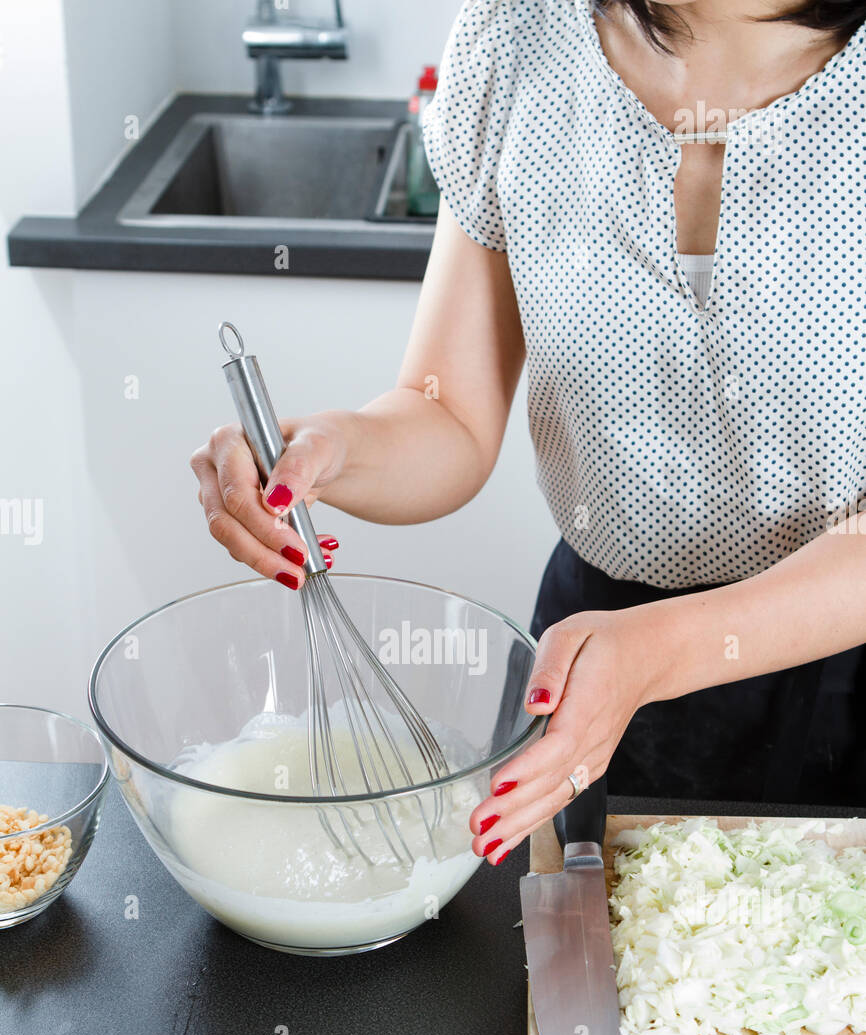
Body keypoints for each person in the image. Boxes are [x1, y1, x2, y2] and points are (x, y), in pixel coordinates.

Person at [191, 0, 866, 868]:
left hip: (837, 668)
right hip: (589, 654)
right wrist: (330, 449)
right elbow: (449, 414)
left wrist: (663, 652)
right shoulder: (518, 32)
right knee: (576, 981)